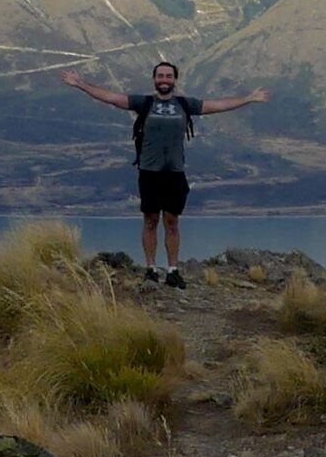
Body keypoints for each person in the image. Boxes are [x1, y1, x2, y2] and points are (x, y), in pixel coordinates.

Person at [57, 57, 272, 286]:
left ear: (175, 80)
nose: (164, 80)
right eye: (160, 76)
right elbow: (111, 98)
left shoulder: (185, 105)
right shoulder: (144, 103)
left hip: (175, 173)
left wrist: (248, 98)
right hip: (149, 172)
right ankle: (150, 269)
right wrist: (80, 84)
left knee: (172, 222)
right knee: (150, 220)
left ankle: (172, 270)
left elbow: (218, 105)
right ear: (154, 80)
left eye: (169, 76)